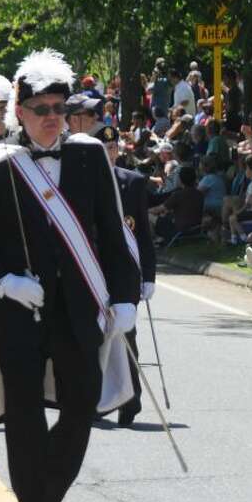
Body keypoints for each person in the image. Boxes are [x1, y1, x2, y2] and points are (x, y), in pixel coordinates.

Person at [0, 48, 139, 502]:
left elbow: (114, 234)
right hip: (20, 310)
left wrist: (125, 298)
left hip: (78, 308)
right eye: (41, 110)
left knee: (80, 407)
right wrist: (2, 282)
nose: (53, 119)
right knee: (24, 414)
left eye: (59, 109)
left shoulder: (89, 156)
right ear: (19, 114)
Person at [97, 124, 155, 425]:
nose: (109, 153)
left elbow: (143, 232)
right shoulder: (85, 184)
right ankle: (102, 397)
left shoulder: (132, 182)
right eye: (103, 149)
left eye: (112, 148)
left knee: (126, 333)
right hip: (95, 269)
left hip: (126, 271)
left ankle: (130, 398)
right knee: (97, 335)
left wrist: (149, 276)